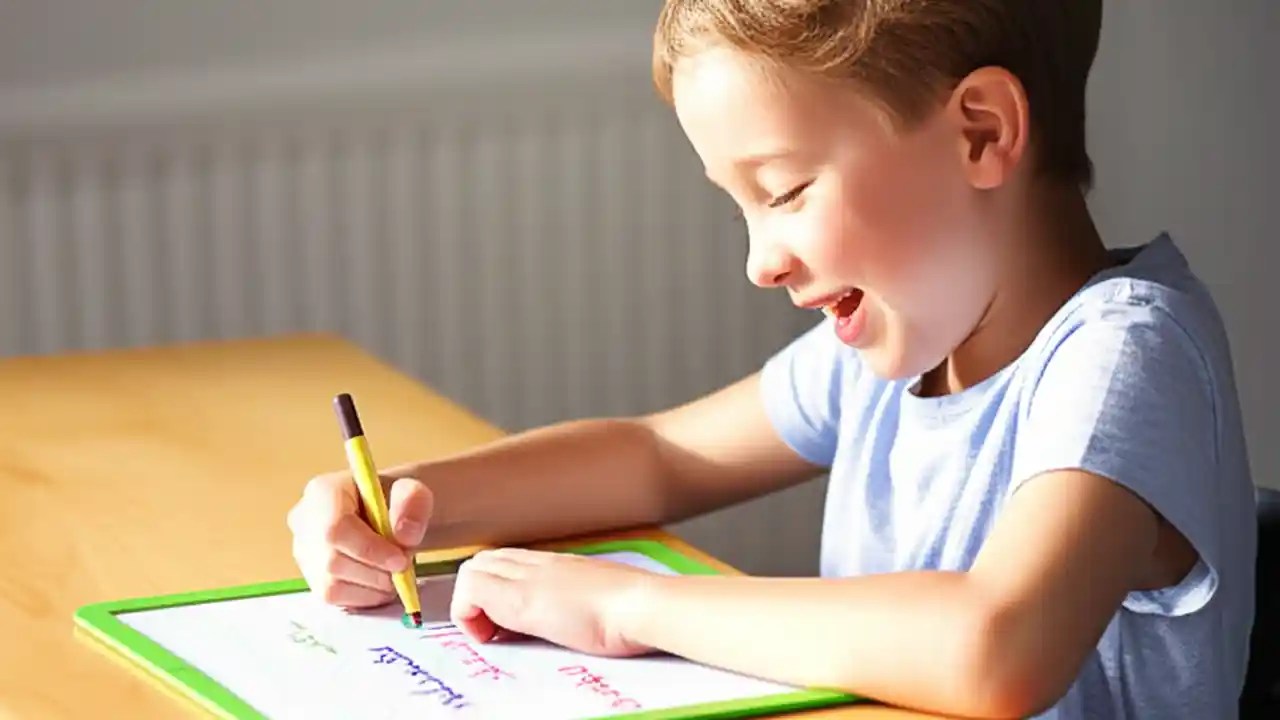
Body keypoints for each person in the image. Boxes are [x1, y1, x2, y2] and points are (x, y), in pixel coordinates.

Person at [286, 1, 1257, 717]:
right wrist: (406, 507)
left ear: (980, 131)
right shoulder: (899, 348)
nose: (758, 261)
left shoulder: (1122, 354)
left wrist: (635, 605)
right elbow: (656, 456)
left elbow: (993, 648)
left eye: (784, 190)